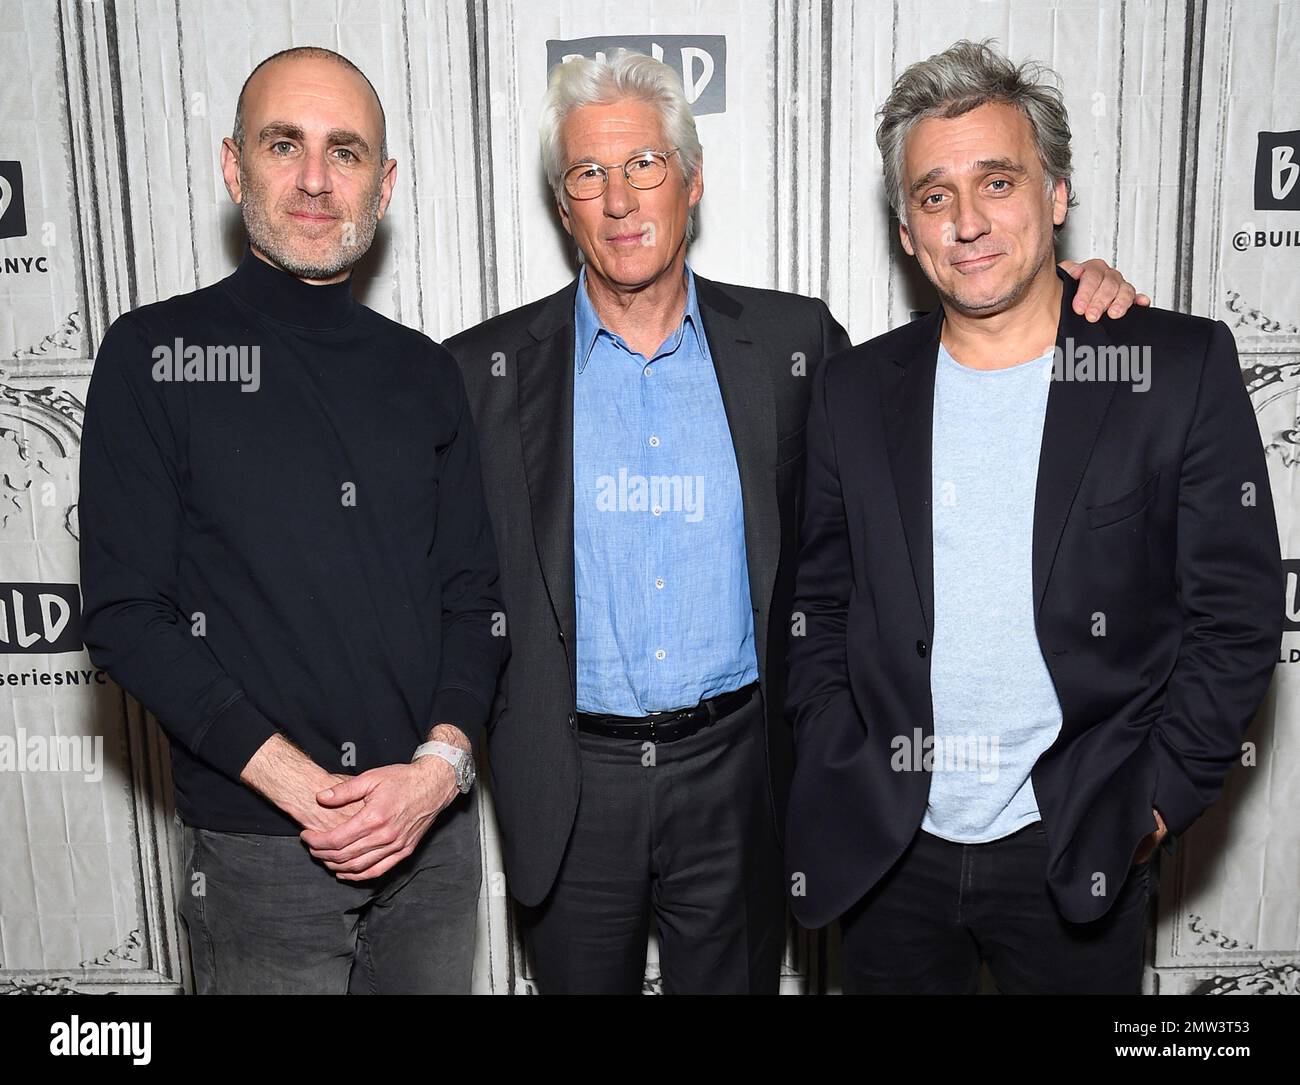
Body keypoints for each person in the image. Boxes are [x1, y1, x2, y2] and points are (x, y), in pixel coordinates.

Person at [445, 49, 1143, 994]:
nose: (619, 199)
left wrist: (1077, 295)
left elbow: (909, 443)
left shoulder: (794, 346)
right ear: (562, 203)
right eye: (588, 174)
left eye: (645, 165)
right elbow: (452, 590)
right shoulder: (482, 374)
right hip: (571, 783)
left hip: (740, 772)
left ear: (692, 182)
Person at [784, 39, 1282, 994]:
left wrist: (1158, 800)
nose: (968, 221)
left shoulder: (1169, 368)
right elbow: (819, 604)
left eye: (998, 181)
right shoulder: (855, 390)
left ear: (1055, 196)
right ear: (905, 229)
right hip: (891, 847)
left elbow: (1237, 611)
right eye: (935, 196)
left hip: (1081, 837)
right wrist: (840, 750)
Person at [78, 47, 506, 994]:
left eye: (345, 152)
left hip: (431, 847)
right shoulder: (156, 354)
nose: (315, 180)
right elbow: (124, 616)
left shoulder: (426, 371)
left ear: (383, 185)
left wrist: (435, 775)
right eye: (285, 145)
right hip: (259, 858)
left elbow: (475, 599)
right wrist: (297, 786)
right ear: (234, 167)